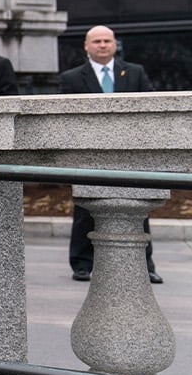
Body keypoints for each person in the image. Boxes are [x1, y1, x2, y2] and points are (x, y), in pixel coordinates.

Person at [59, 25, 162, 284]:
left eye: (107, 41)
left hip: (129, 151)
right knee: (84, 208)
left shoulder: (135, 72)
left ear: (115, 44)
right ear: (86, 46)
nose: (102, 45)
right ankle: (82, 264)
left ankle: (145, 265)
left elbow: (149, 107)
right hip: (88, 152)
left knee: (137, 205)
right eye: (97, 41)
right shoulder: (71, 78)